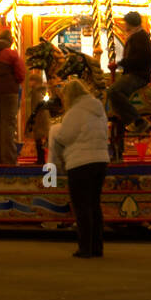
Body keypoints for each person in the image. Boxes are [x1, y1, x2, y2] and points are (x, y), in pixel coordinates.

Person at [49, 78, 111, 257]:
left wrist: (55, 132)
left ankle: (85, 247)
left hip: (80, 163)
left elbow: (66, 136)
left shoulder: (75, 111)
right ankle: (97, 246)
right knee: (94, 205)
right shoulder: (98, 109)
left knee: (82, 207)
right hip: (100, 160)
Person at [106, 11, 151, 161]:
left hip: (139, 75)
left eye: (126, 23)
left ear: (130, 23)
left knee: (114, 90)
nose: (124, 25)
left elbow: (138, 59)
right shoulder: (136, 36)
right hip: (135, 73)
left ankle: (137, 120)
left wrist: (120, 63)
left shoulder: (140, 37)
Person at [0, 29, 24, 165]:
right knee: (8, 125)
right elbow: (21, 74)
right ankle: (9, 159)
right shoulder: (11, 53)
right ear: (10, 41)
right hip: (9, 94)